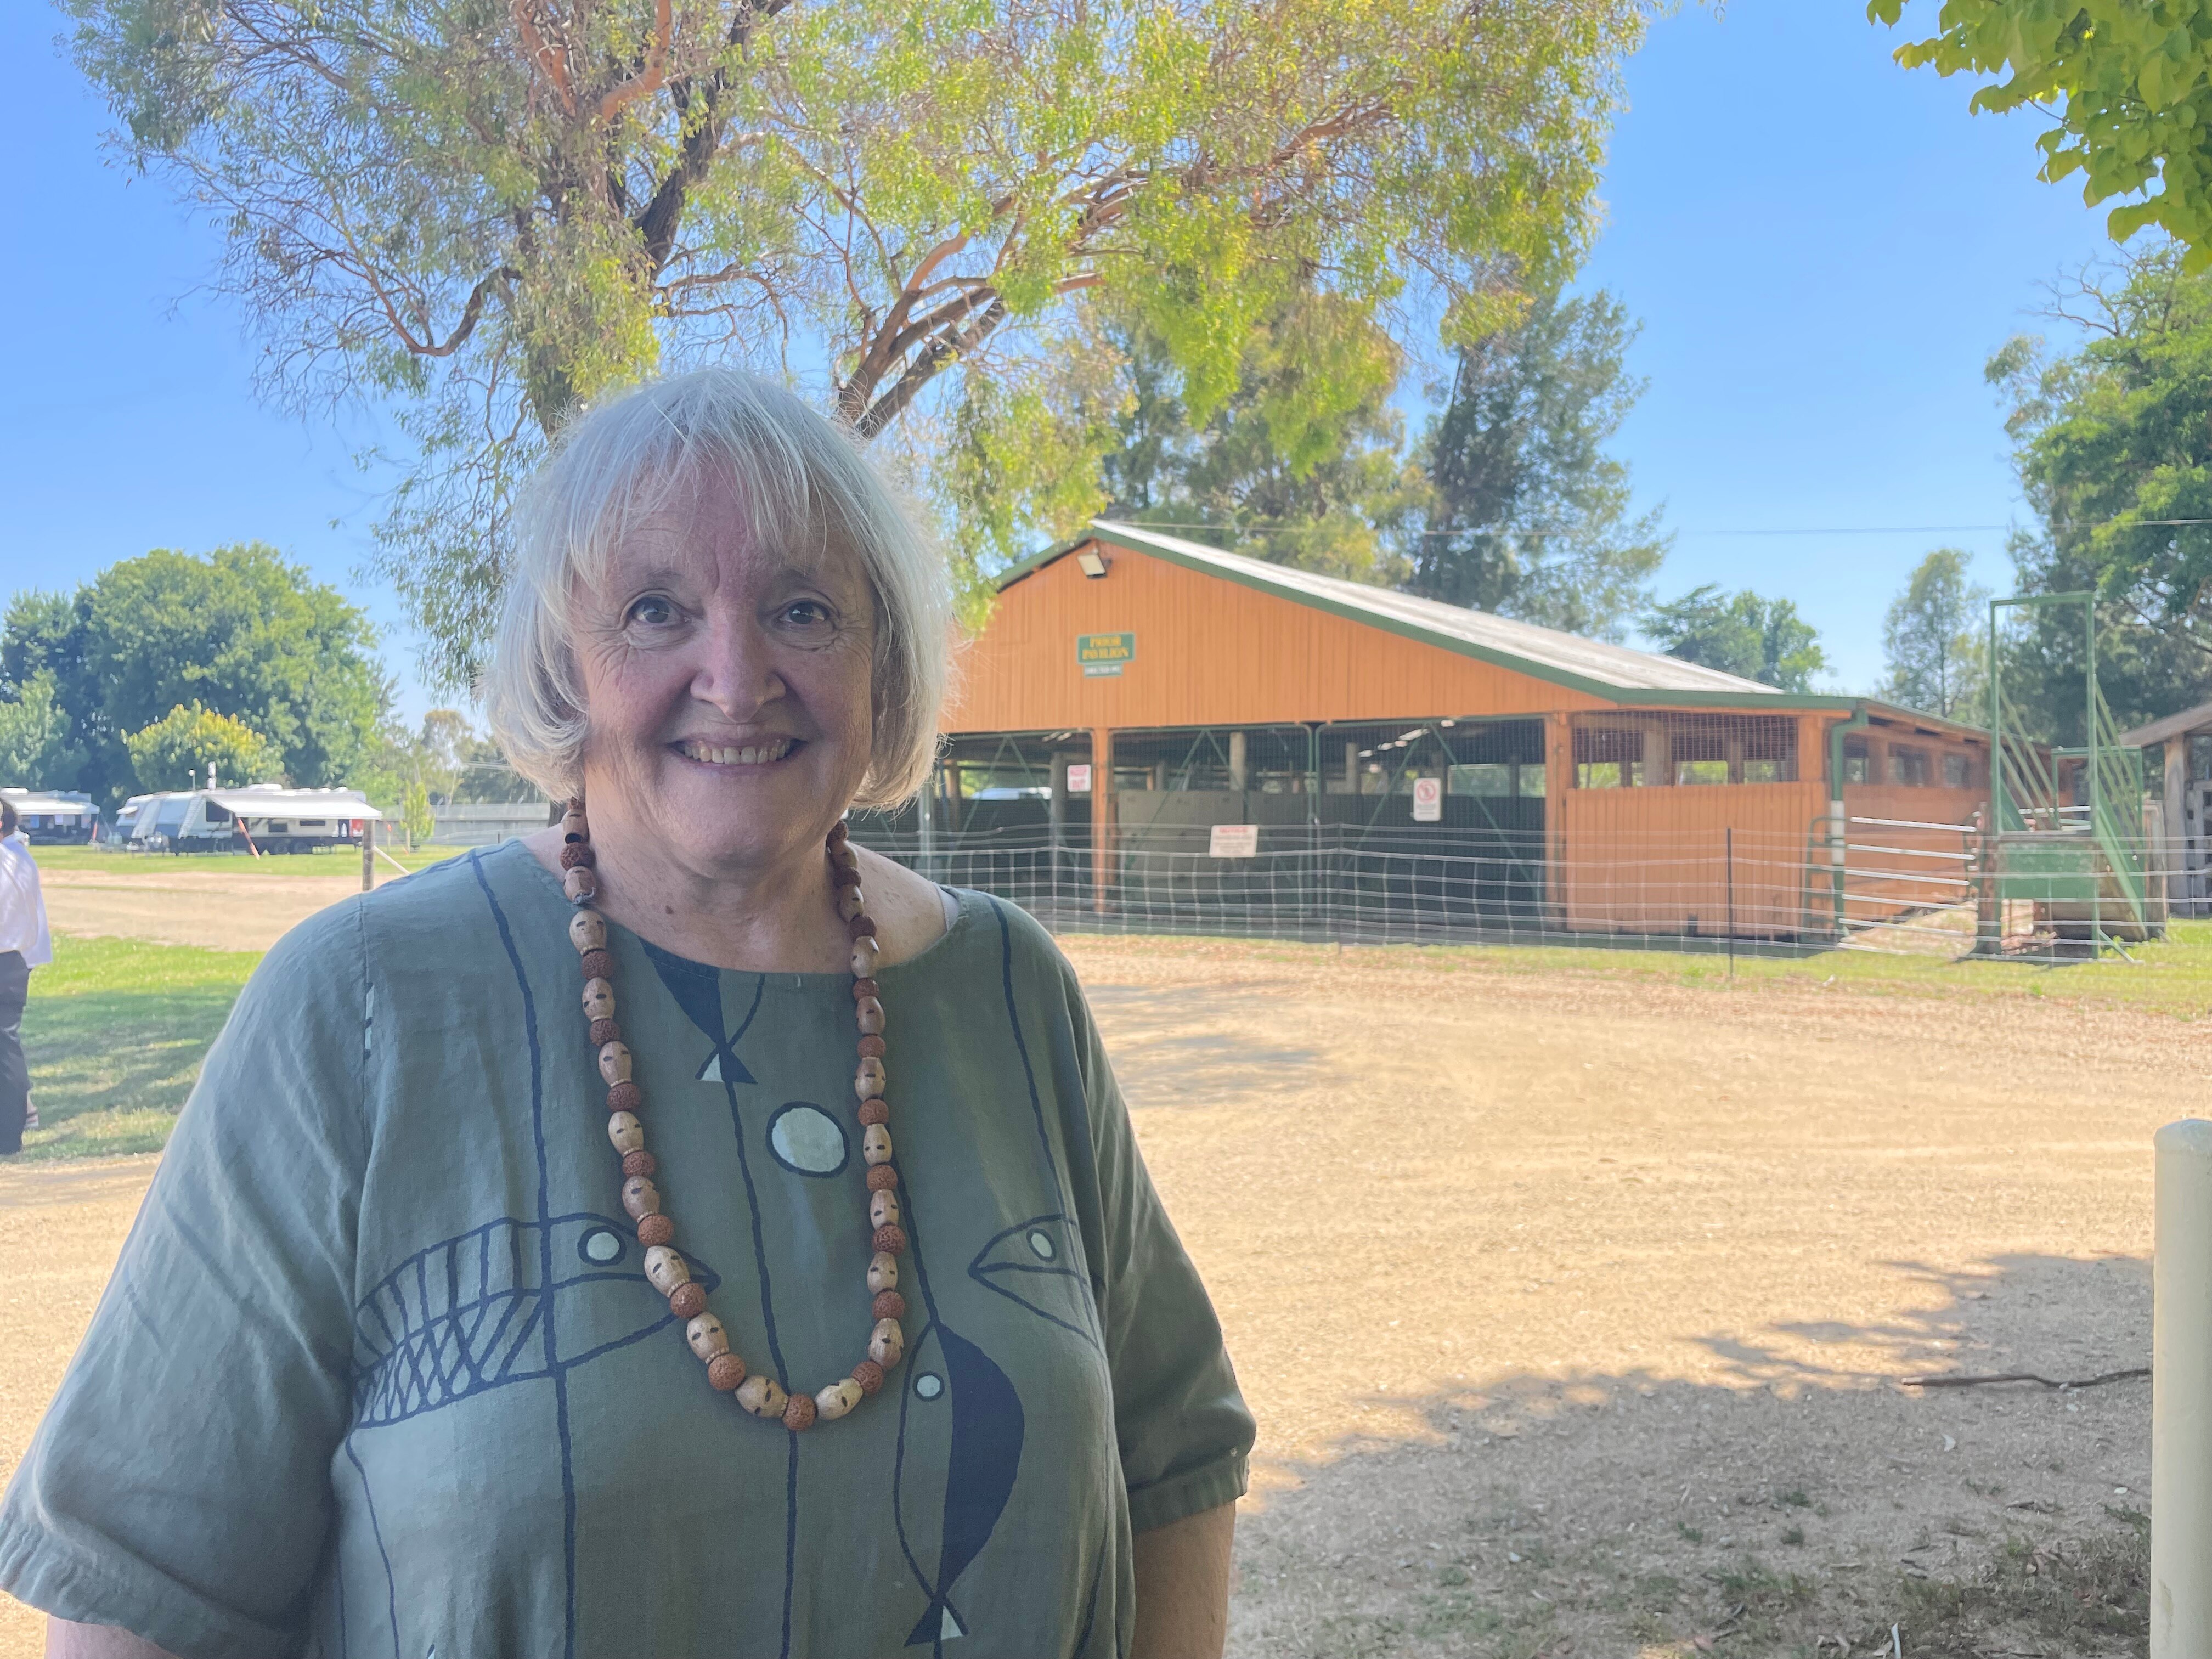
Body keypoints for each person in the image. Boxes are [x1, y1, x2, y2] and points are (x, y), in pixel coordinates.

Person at [0, 370, 1254, 1658]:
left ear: (881, 659)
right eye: (657, 610)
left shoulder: (1009, 990)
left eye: (803, 610)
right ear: (566, 663)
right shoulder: (360, 1009)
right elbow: (140, 1590)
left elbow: (1175, 1456)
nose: (735, 674)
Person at [0, 797, 52, 1155]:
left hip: (5, 960)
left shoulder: (8, 860)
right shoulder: (20, 858)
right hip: (16, 961)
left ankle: (11, 1129)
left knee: (5, 1049)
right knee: (7, 1047)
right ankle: (17, 1120)